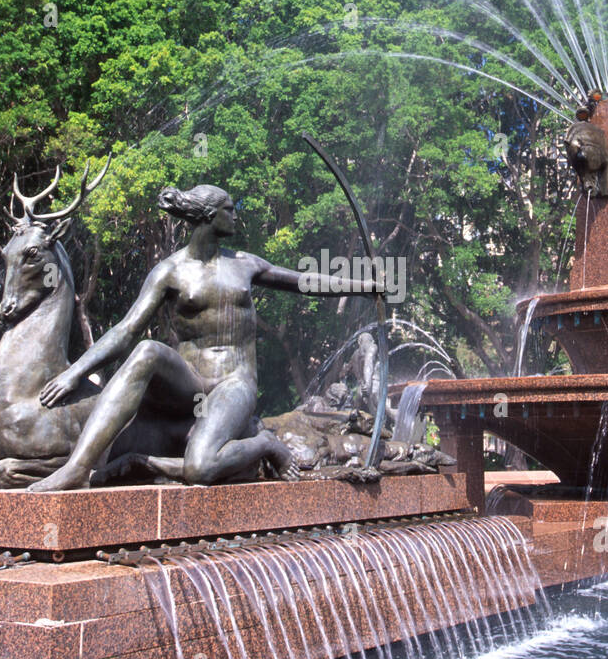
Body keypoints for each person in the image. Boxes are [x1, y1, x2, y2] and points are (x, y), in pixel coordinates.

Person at [31, 183, 377, 490]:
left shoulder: (245, 264)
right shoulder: (170, 270)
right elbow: (126, 330)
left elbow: (304, 282)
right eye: (230, 210)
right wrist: (74, 371)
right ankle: (77, 468)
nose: (235, 216)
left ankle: (264, 444)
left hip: (234, 381)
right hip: (190, 382)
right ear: (210, 216)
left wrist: (365, 287)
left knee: (201, 467)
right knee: (147, 350)